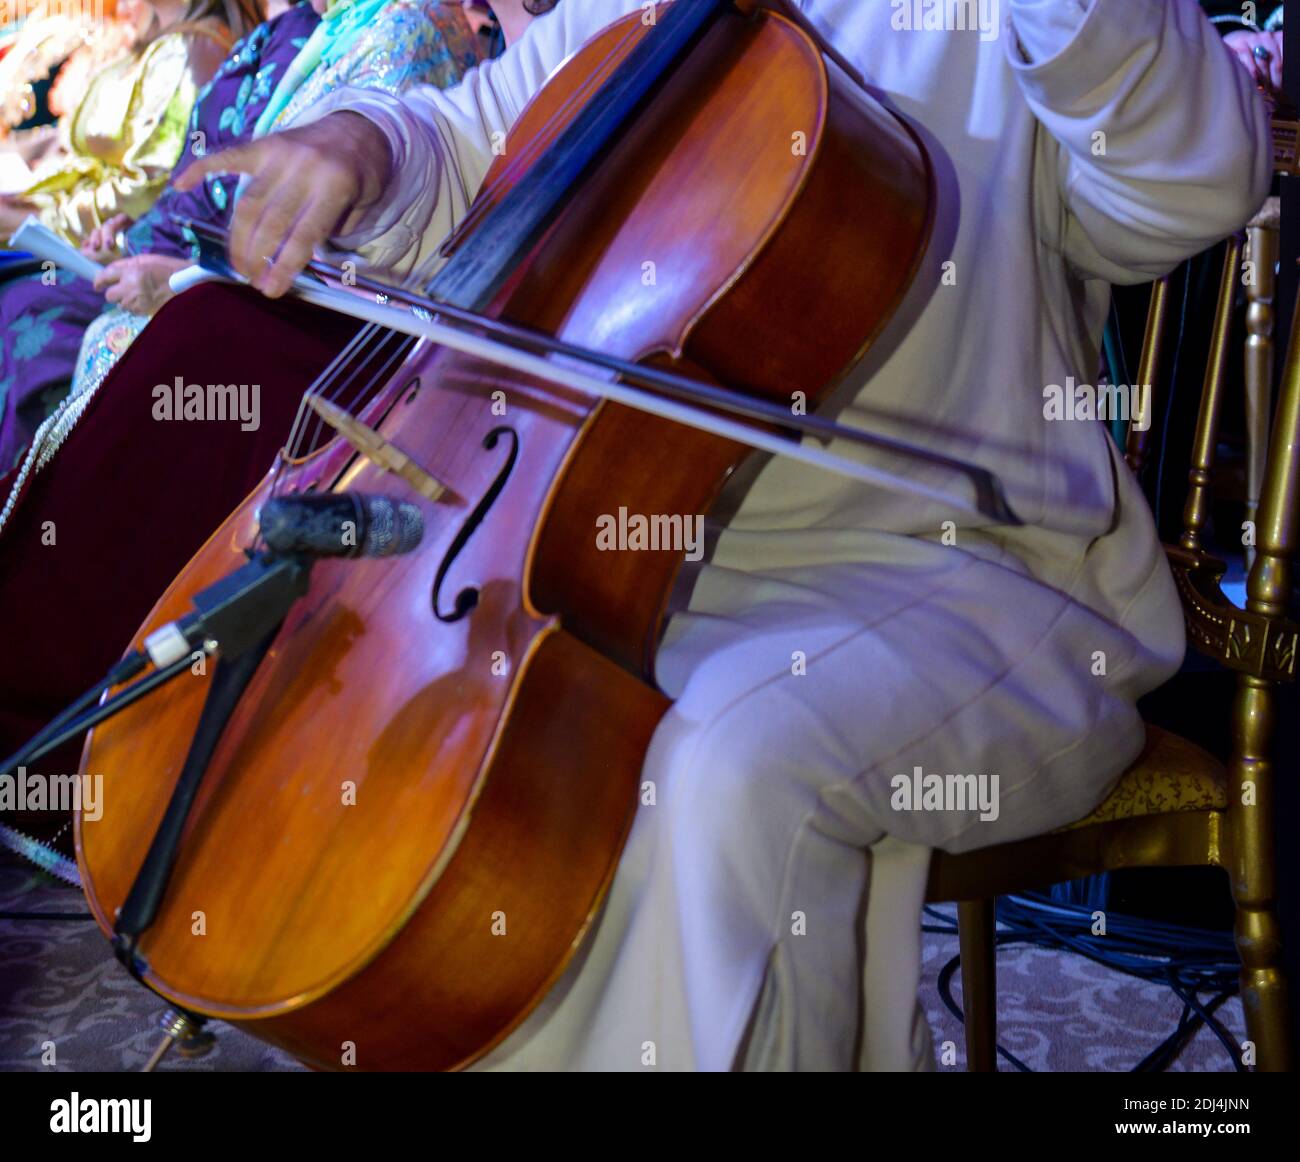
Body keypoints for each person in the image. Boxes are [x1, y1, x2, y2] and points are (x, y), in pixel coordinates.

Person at [177, 0, 1272, 1070]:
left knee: (733, 759)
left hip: (990, 577)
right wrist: (360, 141)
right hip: (684, 572)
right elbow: (470, 139)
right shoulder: (653, 13)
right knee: (523, 746)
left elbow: (1188, 183)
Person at [0, 0, 485, 476]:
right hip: (220, 269)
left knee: (85, 329)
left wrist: (182, 279)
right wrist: (143, 241)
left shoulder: (403, 25)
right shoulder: (321, 25)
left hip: (317, 325)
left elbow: (349, 250)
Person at [0, 0, 264, 243]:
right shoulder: (161, 40)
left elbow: (148, 194)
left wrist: (37, 222)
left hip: (102, 252)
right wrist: (33, 203)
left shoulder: (191, 48)